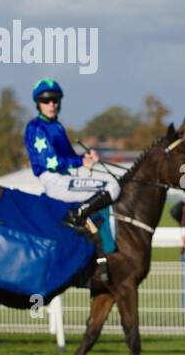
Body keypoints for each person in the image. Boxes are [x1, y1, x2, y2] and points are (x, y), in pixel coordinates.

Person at [24, 78, 120, 283]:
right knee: (112, 186)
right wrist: (80, 161)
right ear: (38, 103)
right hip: (54, 180)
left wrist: (86, 160)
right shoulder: (35, 127)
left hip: (65, 178)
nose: (51, 104)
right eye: (45, 100)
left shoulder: (57, 126)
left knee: (106, 191)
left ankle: (97, 253)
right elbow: (51, 161)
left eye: (55, 100)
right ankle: (104, 248)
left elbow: (71, 158)